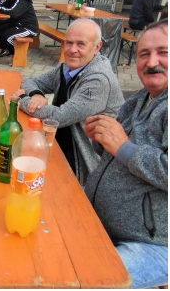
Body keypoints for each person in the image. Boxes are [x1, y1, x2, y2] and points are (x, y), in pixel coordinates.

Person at [83, 19, 167, 289]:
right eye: (144, 54)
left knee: (89, 281)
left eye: (163, 52)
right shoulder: (140, 98)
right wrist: (100, 139)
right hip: (101, 222)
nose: (152, 61)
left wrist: (122, 146)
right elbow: (118, 154)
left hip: (152, 243)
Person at [12, 18, 125, 182]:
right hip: (58, 143)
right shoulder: (67, 67)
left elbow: (58, 117)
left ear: (97, 47)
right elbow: (29, 81)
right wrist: (37, 94)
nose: (72, 50)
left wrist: (21, 99)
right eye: (69, 43)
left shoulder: (98, 80)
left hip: (83, 162)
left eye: (81, 44)